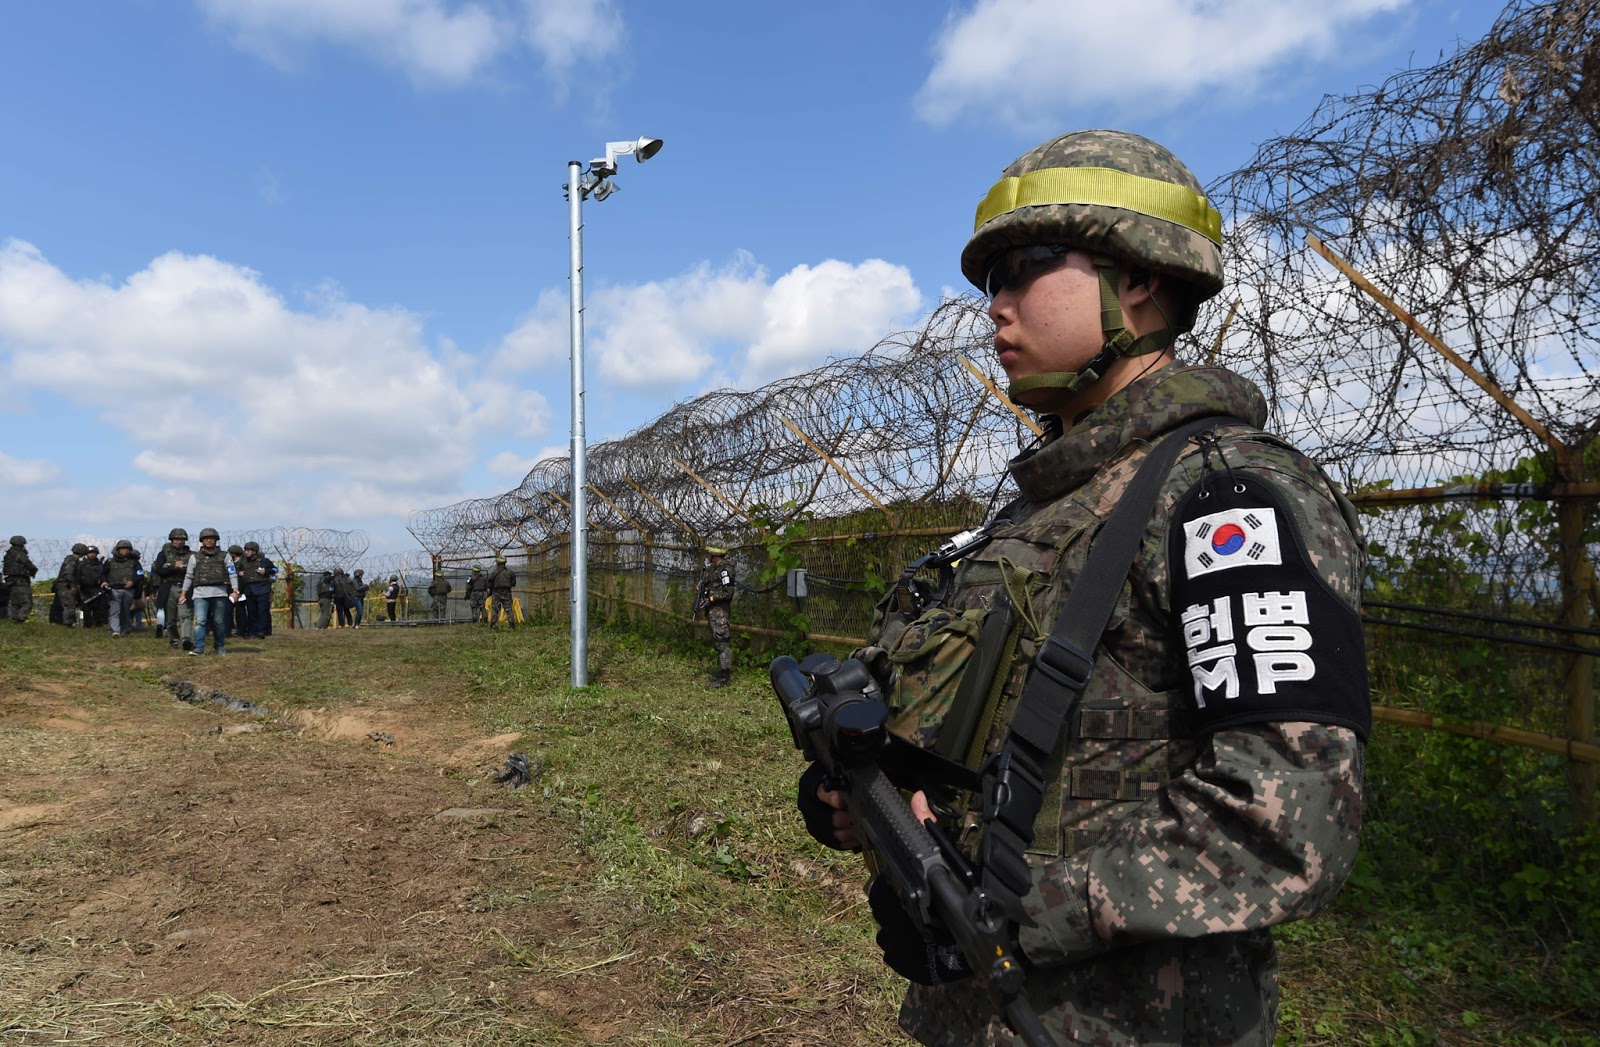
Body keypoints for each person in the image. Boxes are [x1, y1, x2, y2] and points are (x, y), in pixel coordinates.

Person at [797, 130, 1370, 1045]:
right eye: (989, 281)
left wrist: (1004, 913)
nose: (995, 306)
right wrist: (875, 804)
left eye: (1023, 267)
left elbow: (1283, 823)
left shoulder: (1221, 497)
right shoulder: (1043, 510)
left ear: (1137, 279)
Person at [180, 527, 238, 655]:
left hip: (220, 593)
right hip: (200, 594)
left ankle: (219, 647)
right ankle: (199, 647)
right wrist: (183, 593)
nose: (209, 540)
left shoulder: (225, 556)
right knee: (200, 621)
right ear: (202, 541)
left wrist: (235, 590)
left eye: (212, 538)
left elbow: (232, 573)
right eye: (206, 538)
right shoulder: (194, 557)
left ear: (216, 540)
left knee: (219, 622)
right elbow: (189, 575)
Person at [697, 548, 736, 688]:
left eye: (710, 553)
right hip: (714, 611)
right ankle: (722, 672)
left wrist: (711, 598)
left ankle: (725, 677)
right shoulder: (715, 570)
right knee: (718, 641)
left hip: (720, 612)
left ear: (715, 554)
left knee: (722, 642)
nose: (708, 556)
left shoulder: (725, 570)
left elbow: (728, 592)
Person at [151, 528, 194, 649]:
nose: (179, 542)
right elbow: (158, 569)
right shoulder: (164, 554)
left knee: (186, 614)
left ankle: (186, 639)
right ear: (172, 540)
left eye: (181, 539)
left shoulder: (191, 555)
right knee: (170, 617)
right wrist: (174, 566)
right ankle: (174, 639)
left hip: (185, 587)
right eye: (176, 539)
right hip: (169, 587)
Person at [102, 539, 145, 637]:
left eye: (127, 549)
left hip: (128, 590)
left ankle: (125, 629)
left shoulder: (134, 562)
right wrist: (104, 582)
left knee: (125, 611)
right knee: (114, 610)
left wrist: (133, 582)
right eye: (123, 549)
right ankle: (115, 630)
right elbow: (103, 573)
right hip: (114, 589)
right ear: (118, 550)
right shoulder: (110, 561)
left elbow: (140, 575)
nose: (125, 551)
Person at [239, 541, 277, 638]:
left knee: (262, 611)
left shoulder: (263, 561)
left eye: (248, 550)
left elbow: (275, 569)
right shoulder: (243, 562)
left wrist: (266, 571)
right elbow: (236, 571)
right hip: (249, 589)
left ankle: (262, 631)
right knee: (251, 611)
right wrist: (240, 573)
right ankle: (252, 631)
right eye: (245, 550)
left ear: (254, 551)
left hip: (262, 589)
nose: (246, 552)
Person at [4, 536, 38, 622]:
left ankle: (13, 619)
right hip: (21, 581)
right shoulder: (19, 554)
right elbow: (28, 564)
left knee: (14, 603)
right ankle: (20, 619)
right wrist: (33, 570)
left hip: (10, 581)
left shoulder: (9, 554)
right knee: (27, 602)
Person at [54, 542, 87, 627]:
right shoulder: (72, 559)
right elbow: (68, 573)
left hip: (65, 584)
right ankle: (67, 624)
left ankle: (69, 623)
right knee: (69, 605)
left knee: (70, 605)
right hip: (66, 585)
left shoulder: (73, 559)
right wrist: (72, 586)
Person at [75, 546, 108, 629]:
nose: (92, 555)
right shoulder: (81, 564)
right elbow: (77, 575)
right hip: (85, 589)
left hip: (97, 588)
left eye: (94, 553)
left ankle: (98, 624)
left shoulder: (100, 564)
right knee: (86, 608)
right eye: (90, 553)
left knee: (98, 608)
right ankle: (87, 625)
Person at [486, 556, 515, 628]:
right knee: (508, 609)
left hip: (496, 592)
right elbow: (513, 583)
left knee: (495, 609)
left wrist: (491, 590)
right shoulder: (510, 572)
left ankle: (493, 624)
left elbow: (489, 582)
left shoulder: (494, 572)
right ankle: (511, 624)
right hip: (507, 592)